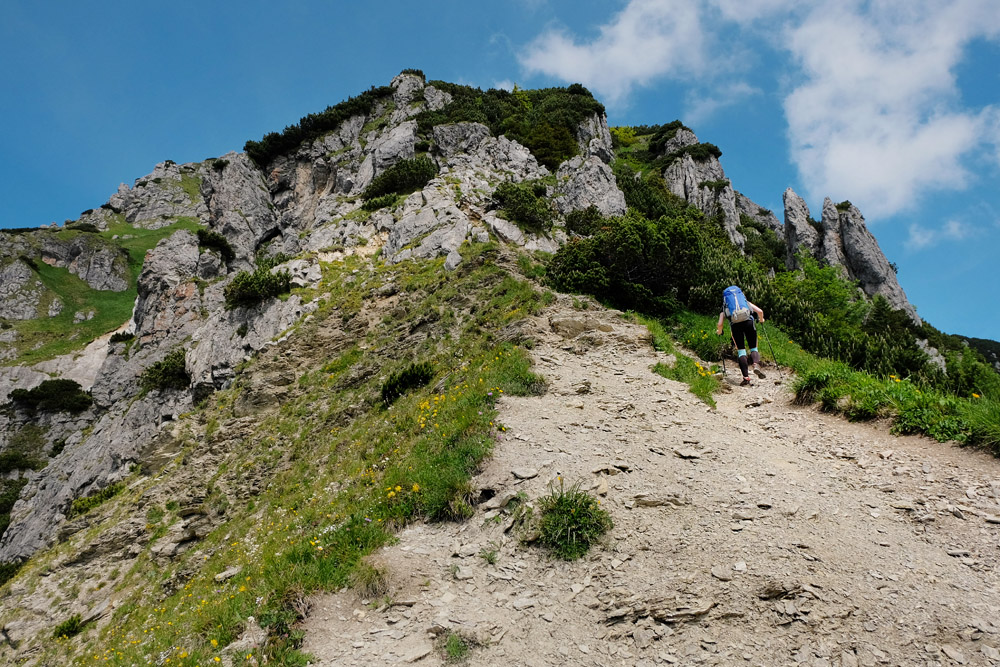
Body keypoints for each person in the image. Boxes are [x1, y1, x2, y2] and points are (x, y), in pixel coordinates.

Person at [716, 289, 766, 386]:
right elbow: (760, 311)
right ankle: (755, 364)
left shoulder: (725, 307)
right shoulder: (745, 302)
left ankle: (746, 378)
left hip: (735, 326)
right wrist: (761, 319)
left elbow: (720, 323)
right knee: (753, 348)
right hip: (749, 323)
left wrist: (719, 331)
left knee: (741, 351)